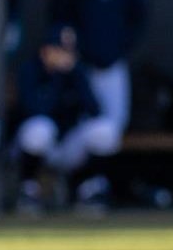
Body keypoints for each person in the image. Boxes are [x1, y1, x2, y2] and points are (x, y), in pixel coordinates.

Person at [47, 0, 146, 167]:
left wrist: (121, 47)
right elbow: (58, 15)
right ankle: (72, 177)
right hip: (79, 64)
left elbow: (139, 16)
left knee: (112, 126)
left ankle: (96, 182)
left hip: (113, 63)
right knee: (78, 122)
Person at [13, 24, 104, 216]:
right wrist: (57, 81)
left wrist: (74, 76)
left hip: (69, 144)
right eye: (59, 50)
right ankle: (29, 187)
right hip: (39, 147)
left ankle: (87, 187)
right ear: (45, 51)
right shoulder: (30, 71)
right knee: (40, 129)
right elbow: (32, 109)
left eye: (69, 51)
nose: (65, 56)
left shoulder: (77, 73)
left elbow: (95, 109)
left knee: (103, 131)